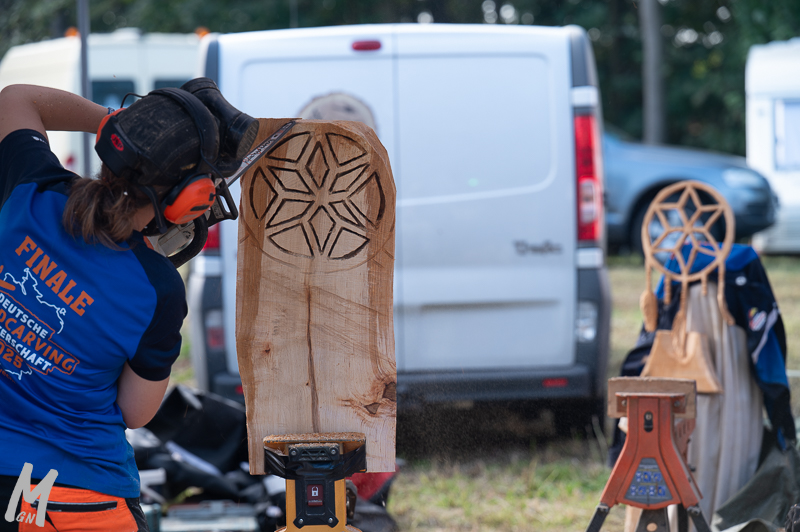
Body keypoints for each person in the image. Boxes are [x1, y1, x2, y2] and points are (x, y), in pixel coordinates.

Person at [0, 82, 237, 531]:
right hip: (72, 497)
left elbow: (14, 98)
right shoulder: (157, 289)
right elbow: (136, 411)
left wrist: (115, 121)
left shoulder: (32, 187)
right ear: (188, 199)